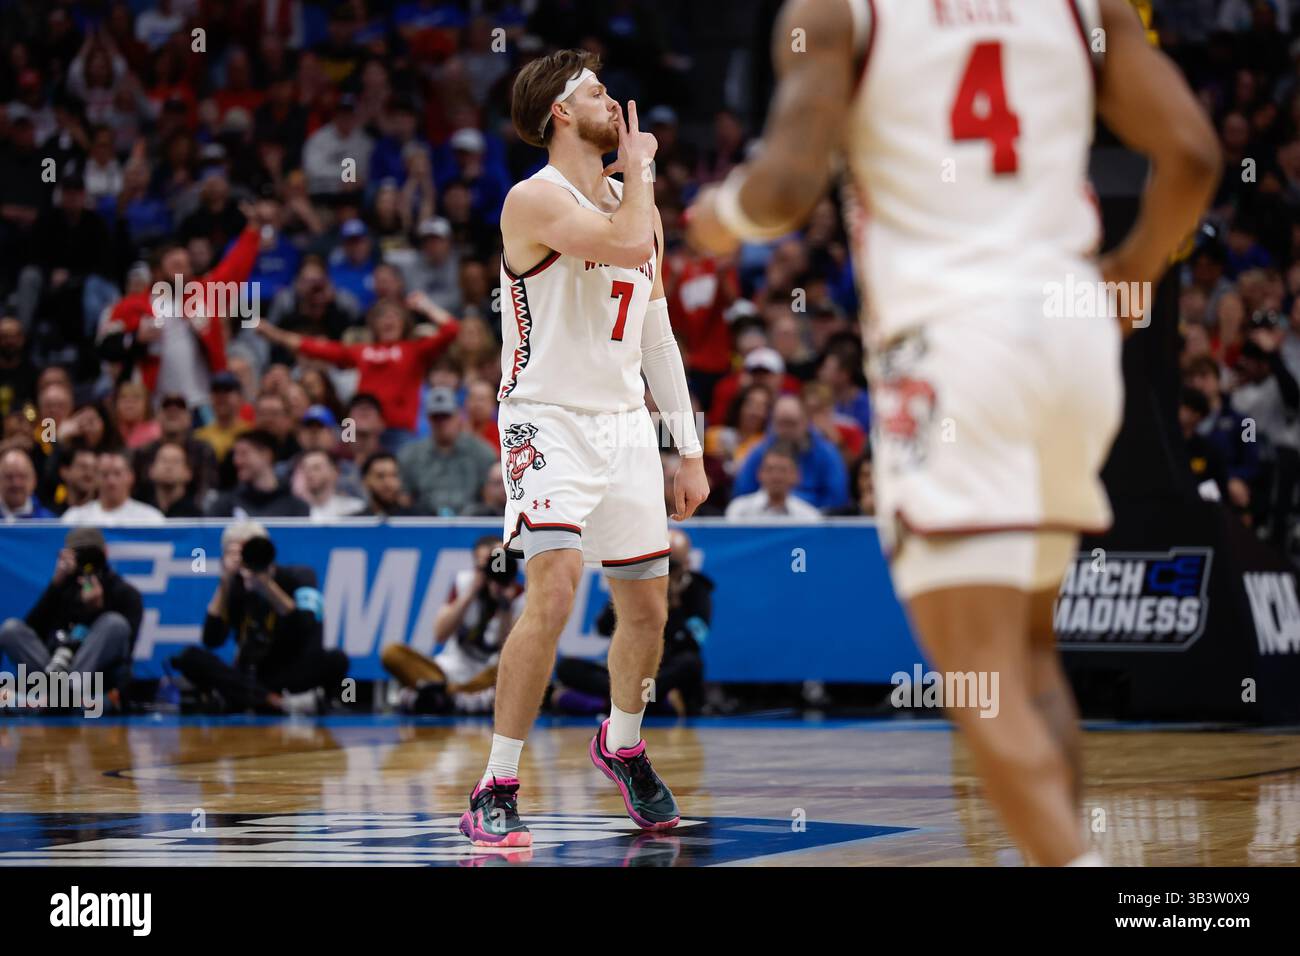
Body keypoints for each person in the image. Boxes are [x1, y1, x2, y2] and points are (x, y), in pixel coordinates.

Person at [686, 0, 1219, 866]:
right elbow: (1194, 154)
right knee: (1033, 654)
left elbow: (784, 189)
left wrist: (721, 215)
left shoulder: (835, 13)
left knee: (981, 679)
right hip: (1074, 328)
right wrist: (1132, 271)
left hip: (953, 346)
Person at [457, 51, 709, 849]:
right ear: (561, 114)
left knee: (647, 609)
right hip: (546, 418)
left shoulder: (637, 206)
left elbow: (658, 333)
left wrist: (688, 447)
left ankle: (623, 742)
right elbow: (628, 244)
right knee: (558, 583)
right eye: (598, 93)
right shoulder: (533, 199)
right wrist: (639, 173)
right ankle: (496, 782)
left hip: (624, 423)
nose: (616, 102)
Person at [171, 521, 348, 714]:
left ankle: (249, 699)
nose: (245, 558)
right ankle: (276, 702)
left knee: (337, 659)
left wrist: (266, 585)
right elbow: (212, 640)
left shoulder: (301, 575)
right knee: (189, 657)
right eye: (236, 552)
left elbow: (306, 625)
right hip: (252, 671)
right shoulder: (233, 585)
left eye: (249, 550)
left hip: (292, 666)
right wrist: (225, 583)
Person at [554, 529, 710, 717]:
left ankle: (611, 703)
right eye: (661, 562)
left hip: (664, 670)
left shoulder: (697, 590)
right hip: (630, 669)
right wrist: (622, 593)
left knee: (690, 663)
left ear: (686, 564)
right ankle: (647, 703)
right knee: (568, 667)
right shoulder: (637, 582)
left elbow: (693, 640)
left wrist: (673, 603)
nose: (665, 571)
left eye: (671, 565)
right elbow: (604, 627)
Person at [380, 536, 523, 714]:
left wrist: (505, 606)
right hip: (449, 671)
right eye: (488, 563)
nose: (495, 567)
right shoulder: (464, 583)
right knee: (392, 652)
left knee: (519, 664)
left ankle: (437, 697)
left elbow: (508, 650)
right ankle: (461, 698)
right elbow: (440, 634)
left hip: (490, 674)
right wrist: (471, 593)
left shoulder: (520, 595)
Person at [0, 527, 140, 696]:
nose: (87, 563)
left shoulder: (125, 592)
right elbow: (32, 631)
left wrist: (95, 610)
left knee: (114, 622)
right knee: (11, 629)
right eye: (80, 555)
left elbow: (125, 647)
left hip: (94, 678)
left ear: (105, 553)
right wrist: (55, 585)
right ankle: (55, 691)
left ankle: (67, 692)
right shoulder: (63, 589)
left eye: (92, 554)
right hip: (52, 669)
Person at [397, 386, 497, 516]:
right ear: (428, 419)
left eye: (446, 416)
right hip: (425, 523)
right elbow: (405, 498)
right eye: (436, 417)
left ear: (459, 416)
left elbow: (490, 497)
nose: (441, 423)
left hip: (470, 522)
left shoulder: (482, 453)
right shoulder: (410, 455)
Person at [206, 429, 310, 517]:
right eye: (235, 455)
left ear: (266, 455)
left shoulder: (296, 507)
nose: (236, 461)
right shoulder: (224, 505)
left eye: (244, 453)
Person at [62, 450, 164, 525]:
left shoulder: (150, 518)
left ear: (130, 477)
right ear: (96, 478)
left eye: (117, 474)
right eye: (105, 474)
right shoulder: (74, 517)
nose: (111, 481)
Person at [725, 443, 823, 520]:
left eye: (783, 470)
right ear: (759, 473)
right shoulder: (739, 510)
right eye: (770, 469)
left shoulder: (810, 516)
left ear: (796, 476)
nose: (776, 476)